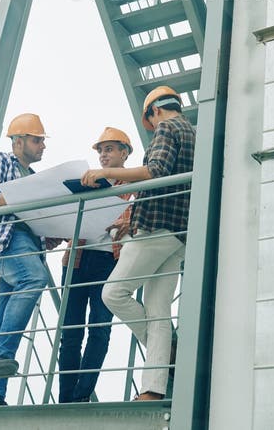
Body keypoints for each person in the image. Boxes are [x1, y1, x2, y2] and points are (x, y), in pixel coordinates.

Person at [81, 85, 194, 401]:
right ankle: (153, 389)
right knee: (158, 312)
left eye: (151, 120)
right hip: (180, 234)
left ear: (154, 111)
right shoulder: (195, 133)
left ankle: (169, 353)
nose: (152, 125)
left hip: (156, 227)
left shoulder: (167, 128)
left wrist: (105, 171)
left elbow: (155, 171)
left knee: (113, 293)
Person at [0, 113, 51, 407]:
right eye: (37, 140)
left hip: (29, 241)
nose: (43, 145)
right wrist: (31, 198)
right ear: (18, 141)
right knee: (34, 278)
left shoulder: (32, 176)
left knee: (4, 316)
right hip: (5, 238)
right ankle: (2, 356)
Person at [58, 127, 133, 403]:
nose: (103, 155)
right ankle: (65, 398)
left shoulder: (135, 185)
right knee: (70, 331)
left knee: (99, 329)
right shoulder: (87, 183)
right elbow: (68, 220)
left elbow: (138, 218)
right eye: (101, 150)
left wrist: (126, 221)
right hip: (76, 260)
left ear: (124, 153)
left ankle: (81, 395)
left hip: (108, 261)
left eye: (109, 149)